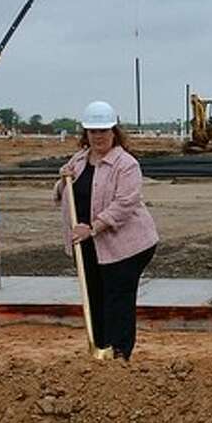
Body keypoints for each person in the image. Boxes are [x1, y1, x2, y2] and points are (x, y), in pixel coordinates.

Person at [55, 101, 158, 360]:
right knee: (94, 294)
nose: (98, 136)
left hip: (127, 245)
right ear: (86, 133)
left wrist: (93, 227)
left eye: (103, 131)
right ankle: (101, 347)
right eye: (92, 131)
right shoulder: (78, 161)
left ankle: (121, 352)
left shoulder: (126, 164)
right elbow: (62, 195)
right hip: (88, 243)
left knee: (118, 297)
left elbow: (125, 203)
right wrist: (61, 181)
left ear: (114, 131)